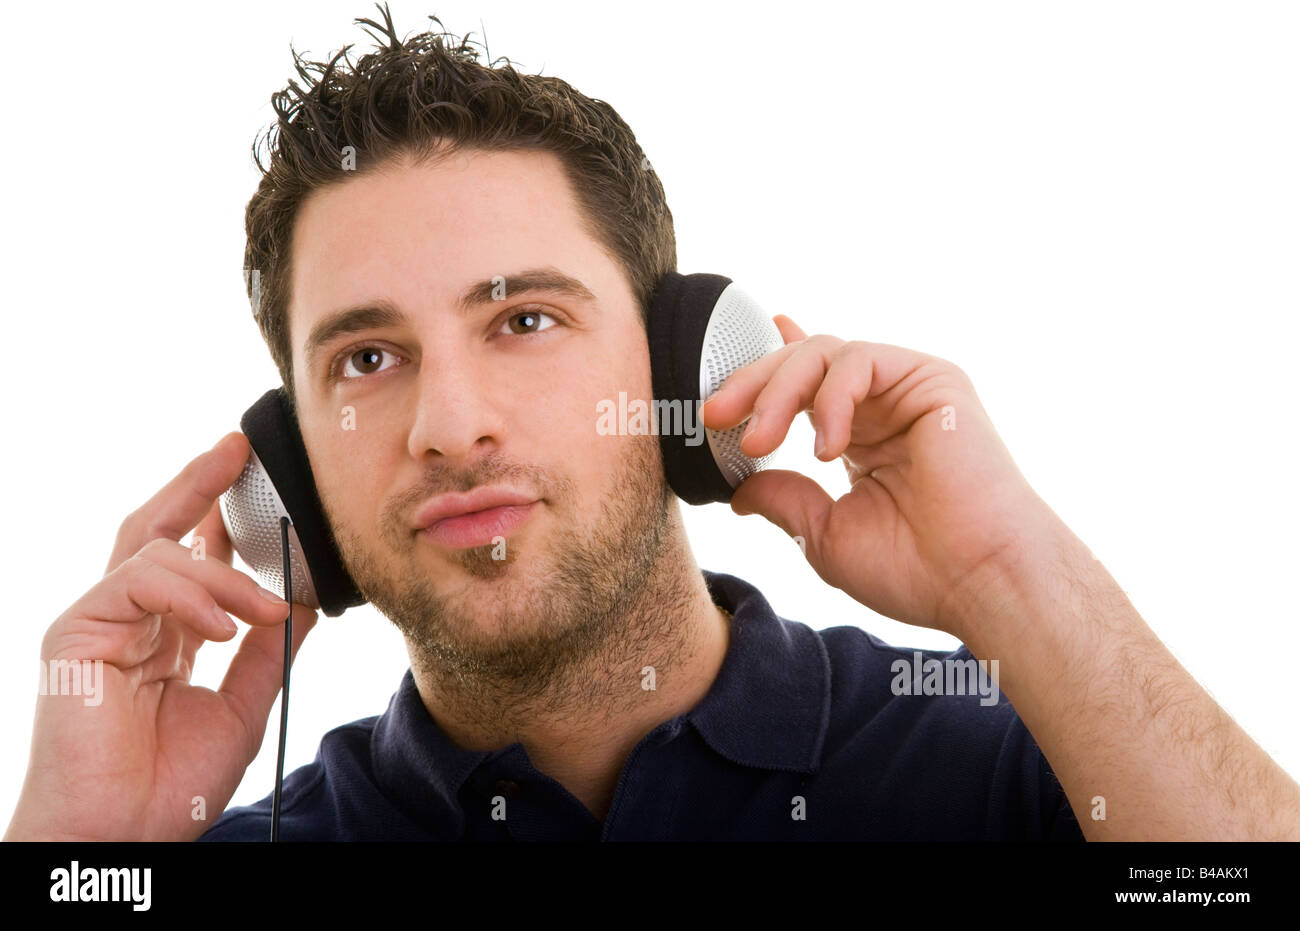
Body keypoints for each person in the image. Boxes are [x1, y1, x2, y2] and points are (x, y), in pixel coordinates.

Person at [7, 4, 1299, 842]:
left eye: (523, 321)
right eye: (369, 355)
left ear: (690, 369)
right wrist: (78, 853)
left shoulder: (1034, 778)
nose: (449, 427)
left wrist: (1019, 577)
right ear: (284, 471)